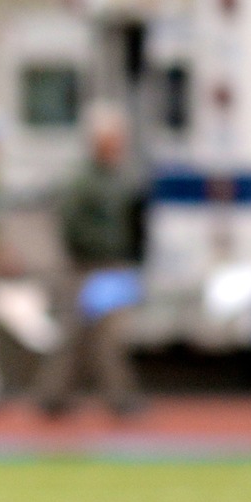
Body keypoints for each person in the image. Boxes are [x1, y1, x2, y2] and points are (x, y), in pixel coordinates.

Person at [36, 101, 147, 416]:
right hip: (88, 266)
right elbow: (70, 224)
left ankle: (113, 397)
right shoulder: (82, 180)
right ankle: (56, 396)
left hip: (113, 266)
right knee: (80, 334)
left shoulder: (117, 178)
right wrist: (89, 253)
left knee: (107, 335)